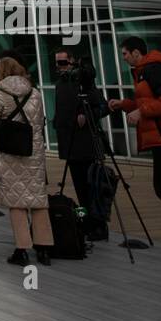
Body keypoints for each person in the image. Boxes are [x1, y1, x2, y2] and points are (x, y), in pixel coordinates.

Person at [0, 56, 54, 266]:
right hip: (33, 151)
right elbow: (40, 120)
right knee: (38, 199)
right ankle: (44, 248)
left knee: (16, 201)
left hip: (9, 152)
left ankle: (22, 249)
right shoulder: (35, 93)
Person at [53, 50, 108, 238]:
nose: (59, 67)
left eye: (63, 63)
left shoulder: (84, 84)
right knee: (79, 189)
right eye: (57, 63)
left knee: (92, 188)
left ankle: (98, 225)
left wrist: (87, 115)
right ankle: (85, 222)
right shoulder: (60, 84)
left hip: (86, 145)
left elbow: (103, 106)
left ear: (72, 62)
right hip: (70, 145)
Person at [109, 39, 161, 207]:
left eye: (125, 53)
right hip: (158, 139)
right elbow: (146, 103)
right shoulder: (141, 71)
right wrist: (124, 104)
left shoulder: (154, 69)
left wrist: (140, 111)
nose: (123, 58)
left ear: (136, 52)